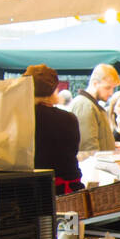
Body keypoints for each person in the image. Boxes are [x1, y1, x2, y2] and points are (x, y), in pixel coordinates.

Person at [25, 64, 81, 193]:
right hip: (67, 191)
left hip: (35, 192)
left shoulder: (23, 118)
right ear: (54, 90)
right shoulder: (69, 118)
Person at [70, 64, 118, 154]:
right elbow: (88, 149)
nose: (111, 93)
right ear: (95, 83)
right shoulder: (84, 105)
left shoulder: (89, 105)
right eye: (107, 87)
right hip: (93, 165)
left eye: (113, 88)